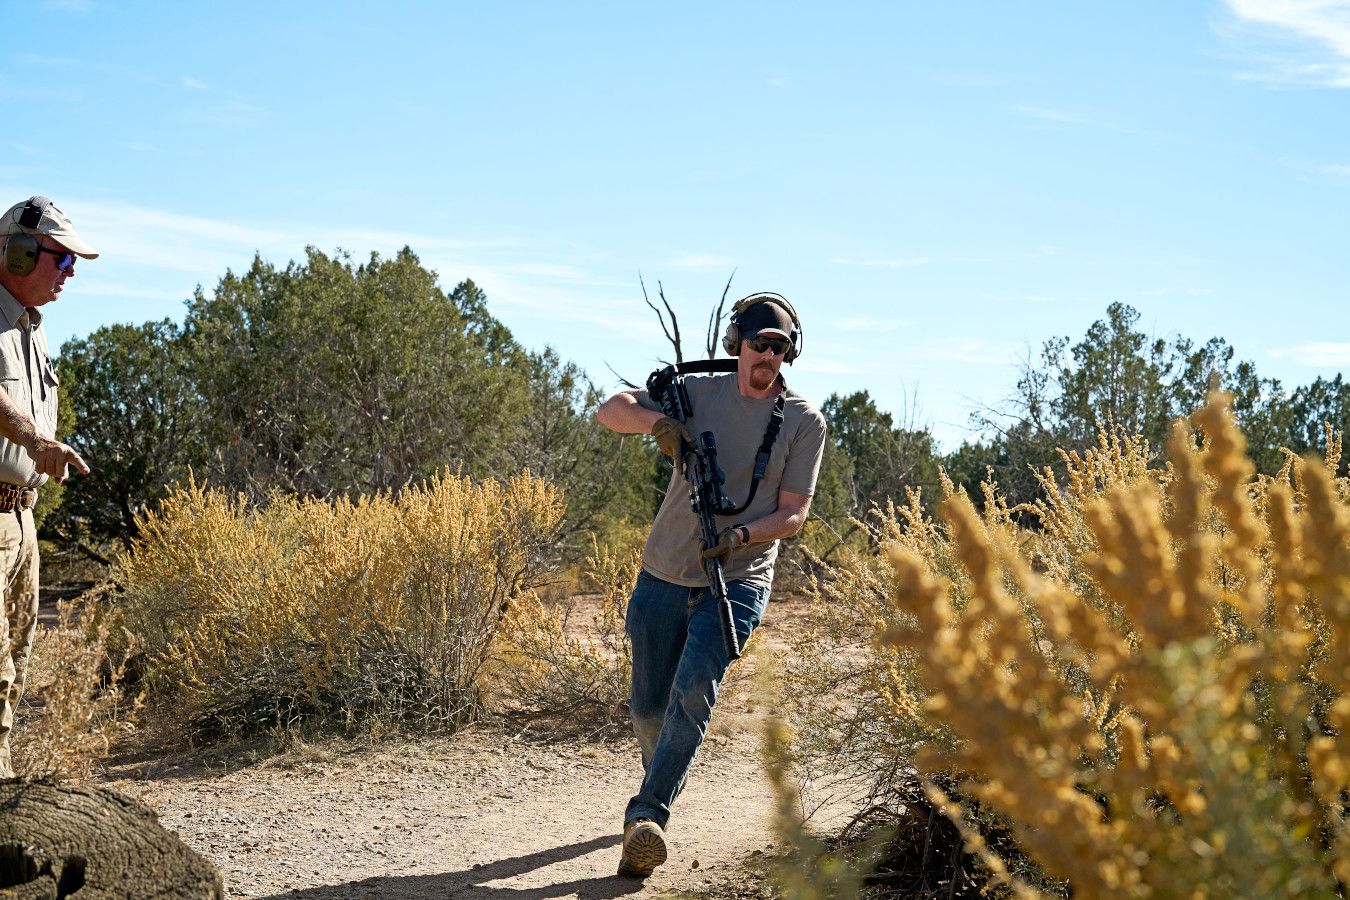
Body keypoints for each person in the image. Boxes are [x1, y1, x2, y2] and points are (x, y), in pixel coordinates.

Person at [596, 292, 826, 877]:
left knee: (695, 689)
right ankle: (657, 778)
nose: (768, 356)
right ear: (736, 345)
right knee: (649, 708)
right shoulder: (697, 390)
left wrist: (742, 536)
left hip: (739, 576)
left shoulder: (803, 422)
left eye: (779, 347)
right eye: (759, 344)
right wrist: (661, 424)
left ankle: (647, 816)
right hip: (664, 570)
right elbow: (610, 408)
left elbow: (794, 515)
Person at [0, 196, 94, 778]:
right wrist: (35, 440)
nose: (70, 274)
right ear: (18, 251)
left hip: (20, 519)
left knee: (12, 674)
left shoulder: (28, 329)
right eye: (60, 260)